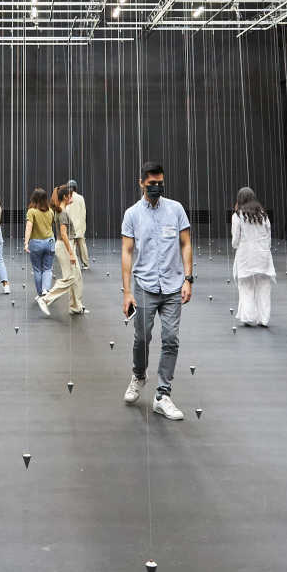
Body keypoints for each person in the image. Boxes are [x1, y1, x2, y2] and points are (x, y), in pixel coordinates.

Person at [120, 161, 191, 420]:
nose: (156, 188)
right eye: (151, 184)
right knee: (142, 338)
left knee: (171, 339)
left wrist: (188, 278)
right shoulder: (132, 214)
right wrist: (127, 291)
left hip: (173, 286)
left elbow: (185, 244)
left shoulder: (176, 209)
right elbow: (127, 252)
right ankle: (139, 375)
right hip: (144, 286)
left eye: (160, 183)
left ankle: (163, 394)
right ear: (141, 183)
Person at [38, 184, 87, 316]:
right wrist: (71, 253)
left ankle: (76, 306)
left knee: (76, 276)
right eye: (70, 195)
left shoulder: (61, 211)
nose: (72, 197)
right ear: (65, 197)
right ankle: (45, 299)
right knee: (71, 277)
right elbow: (64, 235)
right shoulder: (63, 213)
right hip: (65, 247)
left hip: (66, 246)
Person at [231, 186, 275, 327]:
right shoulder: (263, 215)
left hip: (245, 256)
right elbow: (268, 238)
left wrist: (237, 245)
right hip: (263, 256)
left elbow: (235, 240)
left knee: (246, 287)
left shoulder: (238, 216)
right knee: (264, 287)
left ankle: (248, 317)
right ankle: (264, 319)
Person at [25, 186, 57, 297]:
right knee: (47, 269)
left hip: (36, 243)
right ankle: (45, 289)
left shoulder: (32, 211)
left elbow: (29, 227)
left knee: (37, 269)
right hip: (50, 242)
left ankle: (40, 293)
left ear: (34, 198)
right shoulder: (51, 212)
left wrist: (26, 242)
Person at [65, 179, 91, 269]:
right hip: (80, 226)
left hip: (70, 226)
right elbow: (84, 213)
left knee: (71, 245)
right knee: (82, 246)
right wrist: (84, 226)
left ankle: (73, 264)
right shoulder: (80, 198)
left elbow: (66, 212)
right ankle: (85, 263)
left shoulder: (67, 198)